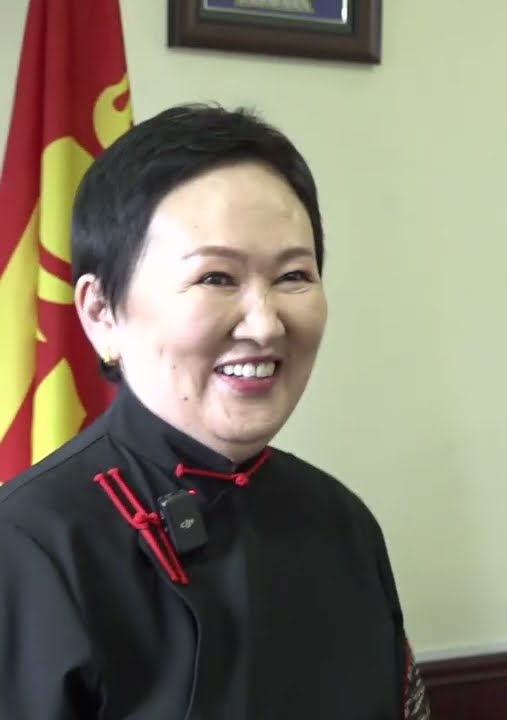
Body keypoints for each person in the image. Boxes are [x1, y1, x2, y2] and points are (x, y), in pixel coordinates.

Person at [0, 104, 431, 719]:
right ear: (101, 312)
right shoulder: (27, 546)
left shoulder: (342, 521)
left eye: (293, 275)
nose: (265, 324)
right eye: (215, 278)